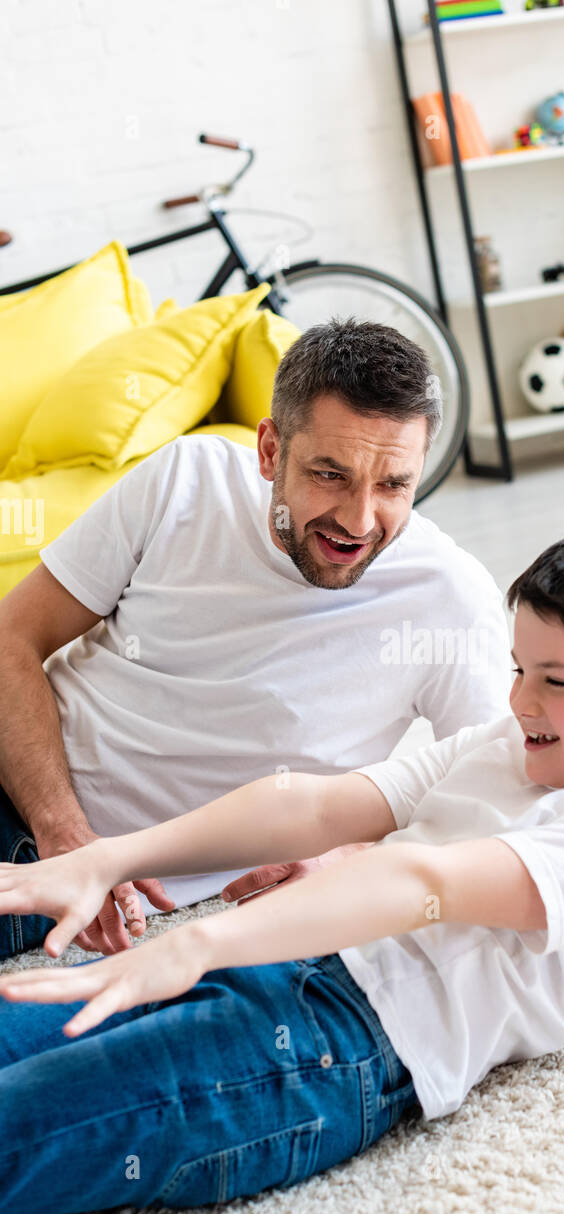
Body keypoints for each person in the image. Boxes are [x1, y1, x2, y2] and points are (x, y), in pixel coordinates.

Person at [0, 521, 564, 1214]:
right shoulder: (510, 743)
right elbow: (315, 805)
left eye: (554, 681)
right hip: (275, 952)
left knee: (22, 1126)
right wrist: (110, 857)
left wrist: (192, 944)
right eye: (517, 671)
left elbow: (420, 884)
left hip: (333, 1041)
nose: (518, 703)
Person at [0, 316, 511, 959]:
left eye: (393, 485)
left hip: (58, 860)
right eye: (331, 474)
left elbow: (496, 788)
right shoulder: (186, 480)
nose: (358, 520)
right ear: (270, 450)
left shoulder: (448, 598)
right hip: (30, 789)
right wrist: (63, 833)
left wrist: (349, 856)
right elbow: (12, 637)